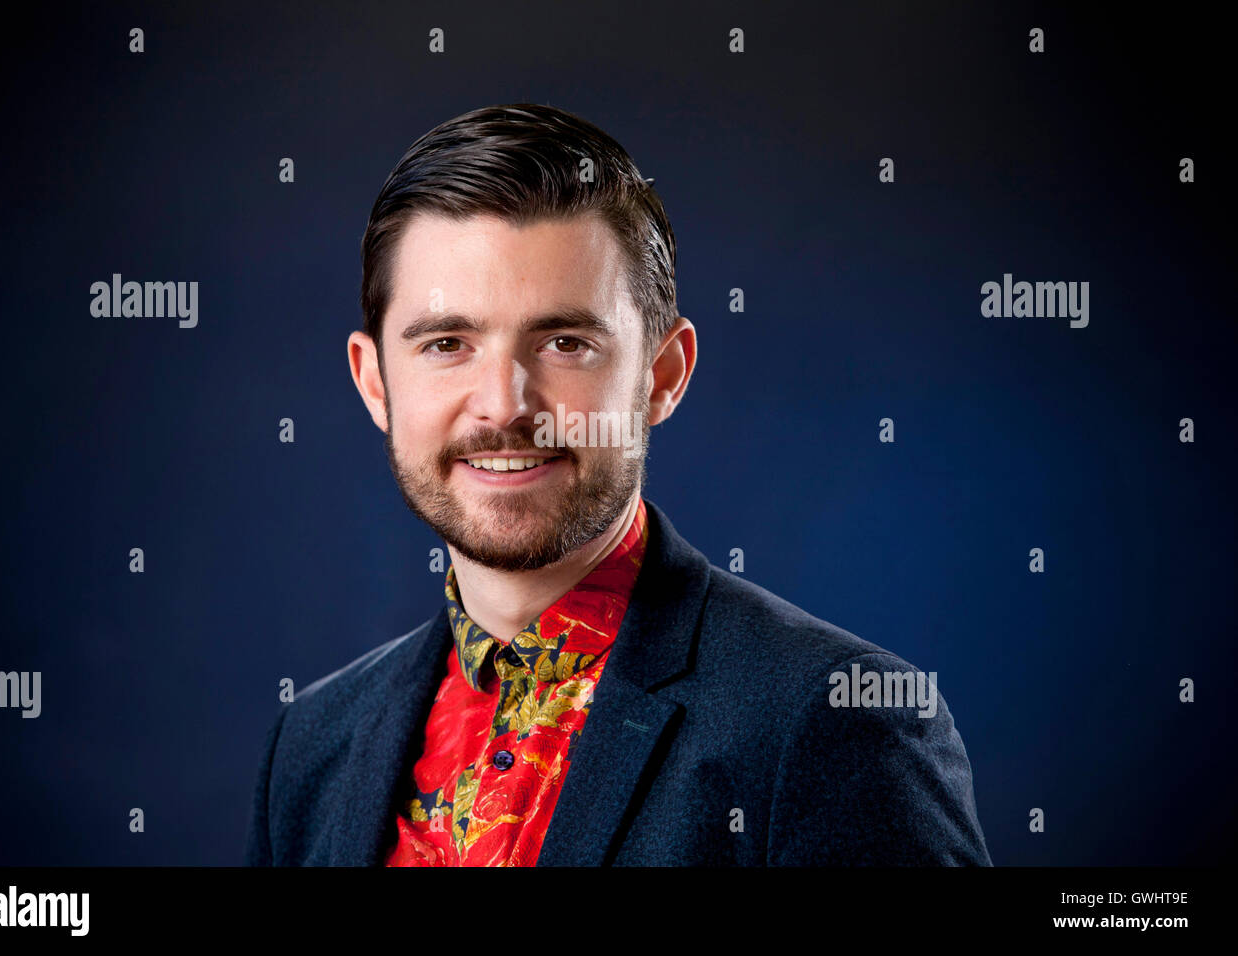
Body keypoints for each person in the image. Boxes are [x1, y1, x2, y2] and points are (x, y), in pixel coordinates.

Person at [245, 103, 992, 866]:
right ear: (375, 384)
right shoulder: (312, 744)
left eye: (566, 342)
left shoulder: (839, 722)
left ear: (662, 375)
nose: (505, 404)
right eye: (447, 344)